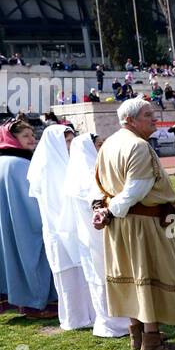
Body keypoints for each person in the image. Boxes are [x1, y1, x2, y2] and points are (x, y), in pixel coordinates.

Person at [93, 97, 175, 350]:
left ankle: (138, 333)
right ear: (130, 120)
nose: (154, 119)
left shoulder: (108, 144)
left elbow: (100, 187)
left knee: (133, 277)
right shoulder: (137, 146)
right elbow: (136, 189)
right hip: (142, 224)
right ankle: (152, 341)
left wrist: (102, 211)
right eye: (148, 115)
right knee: (147, 277)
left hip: (120, 224)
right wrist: (108, 211)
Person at [29, 122, 115, 332]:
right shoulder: (46, 168)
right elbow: (54, 203)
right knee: (68, 274)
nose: (69, 144)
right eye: (65, 141)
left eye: (70, 140)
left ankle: (93, 314)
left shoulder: (71, 164)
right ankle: (75, 317)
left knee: (86, 270)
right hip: (58, 230)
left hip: (75, 226)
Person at [0, 119, 58, 317]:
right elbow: (32, 198)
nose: (32, 139)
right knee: (31, 258)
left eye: (32, 135)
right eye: (25, 136)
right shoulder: (18, 164)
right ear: (11, 139)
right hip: (24, 223)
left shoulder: (3, 161)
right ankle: (37, 304)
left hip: (12, 222)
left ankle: (26, 302)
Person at [61, 133, 130, 338]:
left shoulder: (82, 173)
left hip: (91, 235)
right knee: (104, 275)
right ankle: (116, 322)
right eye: (98, 145)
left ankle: (113, 320)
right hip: (98, 235)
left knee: (100, 275)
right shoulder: (88, 175)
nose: (102, 148)